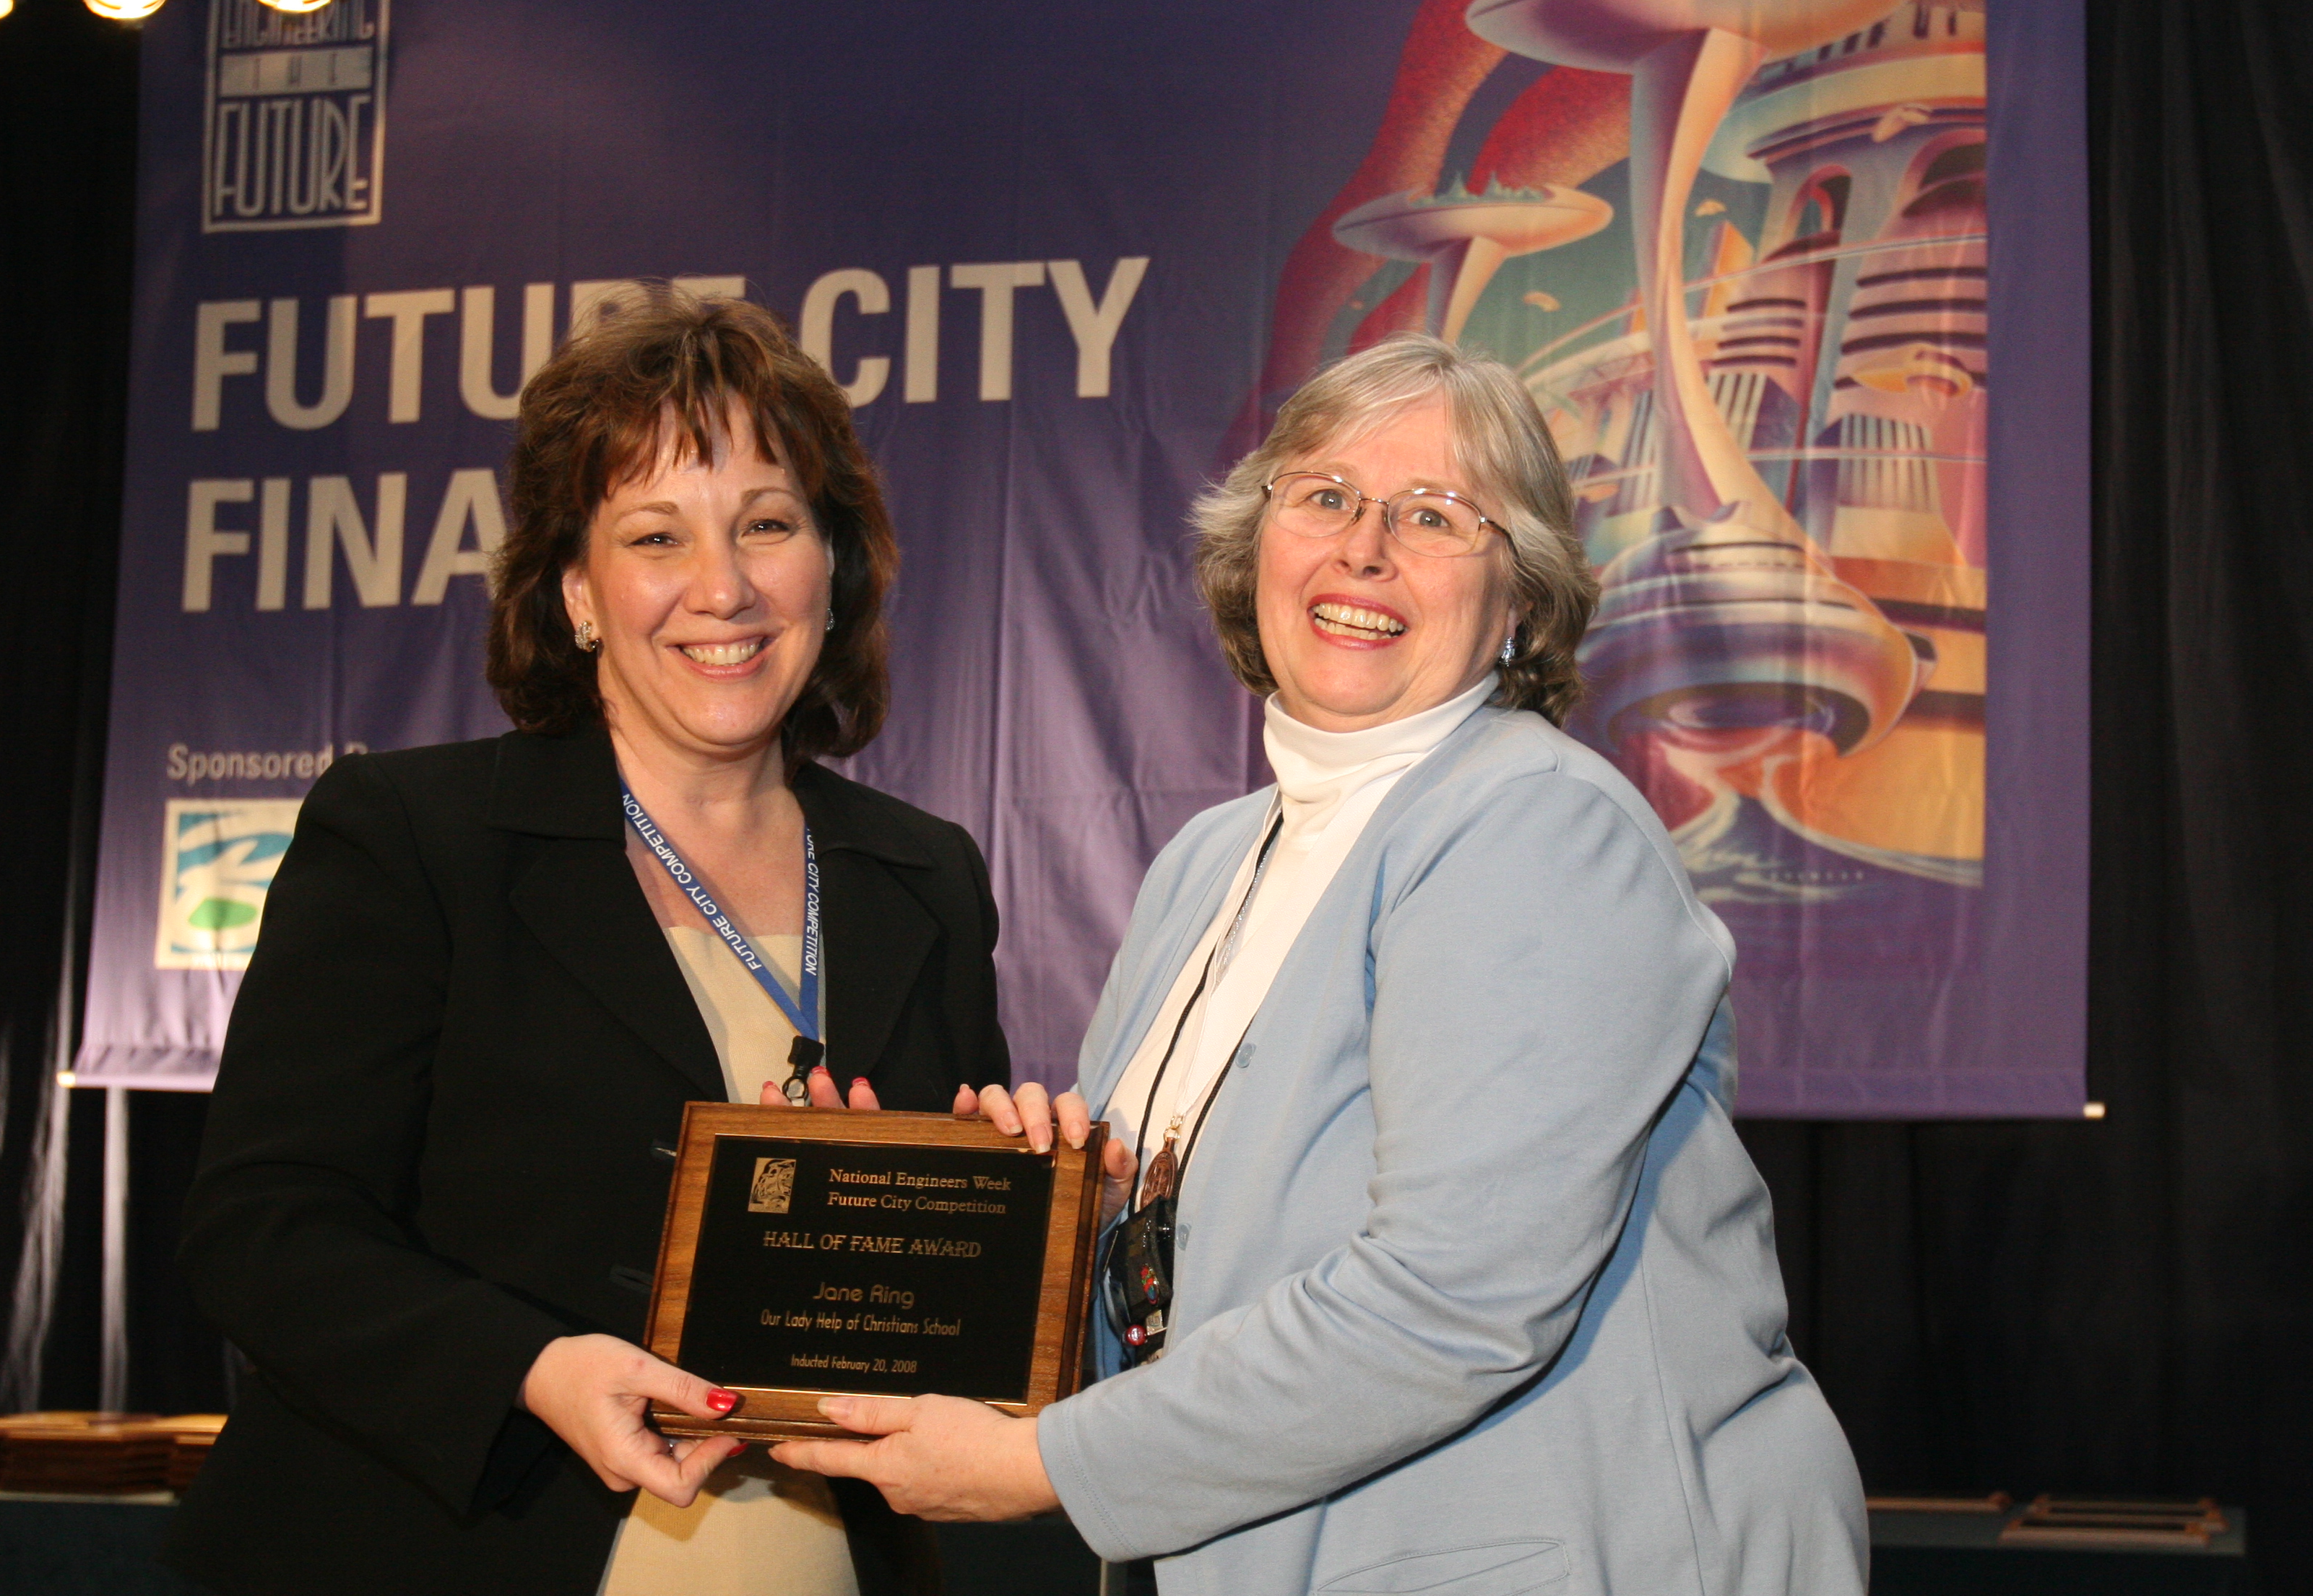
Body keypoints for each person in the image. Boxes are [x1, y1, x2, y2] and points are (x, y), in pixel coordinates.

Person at [773, 334, 1869, 1594]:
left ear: (1519, 601)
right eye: (1328, 498)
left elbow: (1451, 1303)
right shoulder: (1210, 859)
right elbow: (1168, 1293)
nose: (1365, 547)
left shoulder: (1536, 823)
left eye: (1436, 515)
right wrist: (986, 1213)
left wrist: (1041, 1467)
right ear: (1257, 553)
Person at [165, 290, 1012, 1596]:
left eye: (769, 525)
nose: (722, 587)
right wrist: (533, 1368)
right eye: (656, 534)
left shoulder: (926, 877)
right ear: (575, 593)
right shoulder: (414, 837)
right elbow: (262, 1228)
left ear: (834, 570)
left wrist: (1017, 1207)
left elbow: (946, 1294)